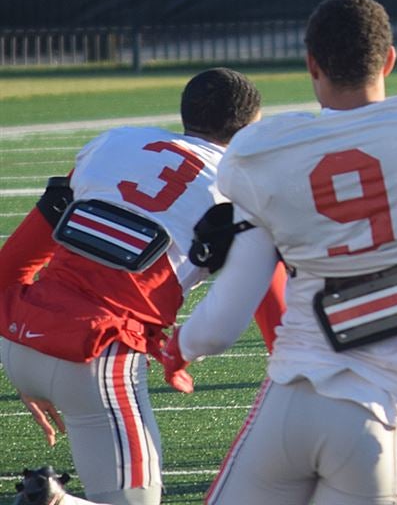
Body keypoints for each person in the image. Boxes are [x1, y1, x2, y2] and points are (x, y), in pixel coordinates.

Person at [162, 0, 397, 505]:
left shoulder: (265, 152)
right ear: (389, 60)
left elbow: (228, 311)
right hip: (380, 415)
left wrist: (182, 347)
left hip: (287, 404)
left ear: (312, 64)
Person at [0, 69, 285, 505]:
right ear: (250, 129)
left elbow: (11, 267)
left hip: (23, 336)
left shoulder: (116, 143)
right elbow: (279, 326)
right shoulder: (243, 189)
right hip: (98, 351)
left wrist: (27, 351)